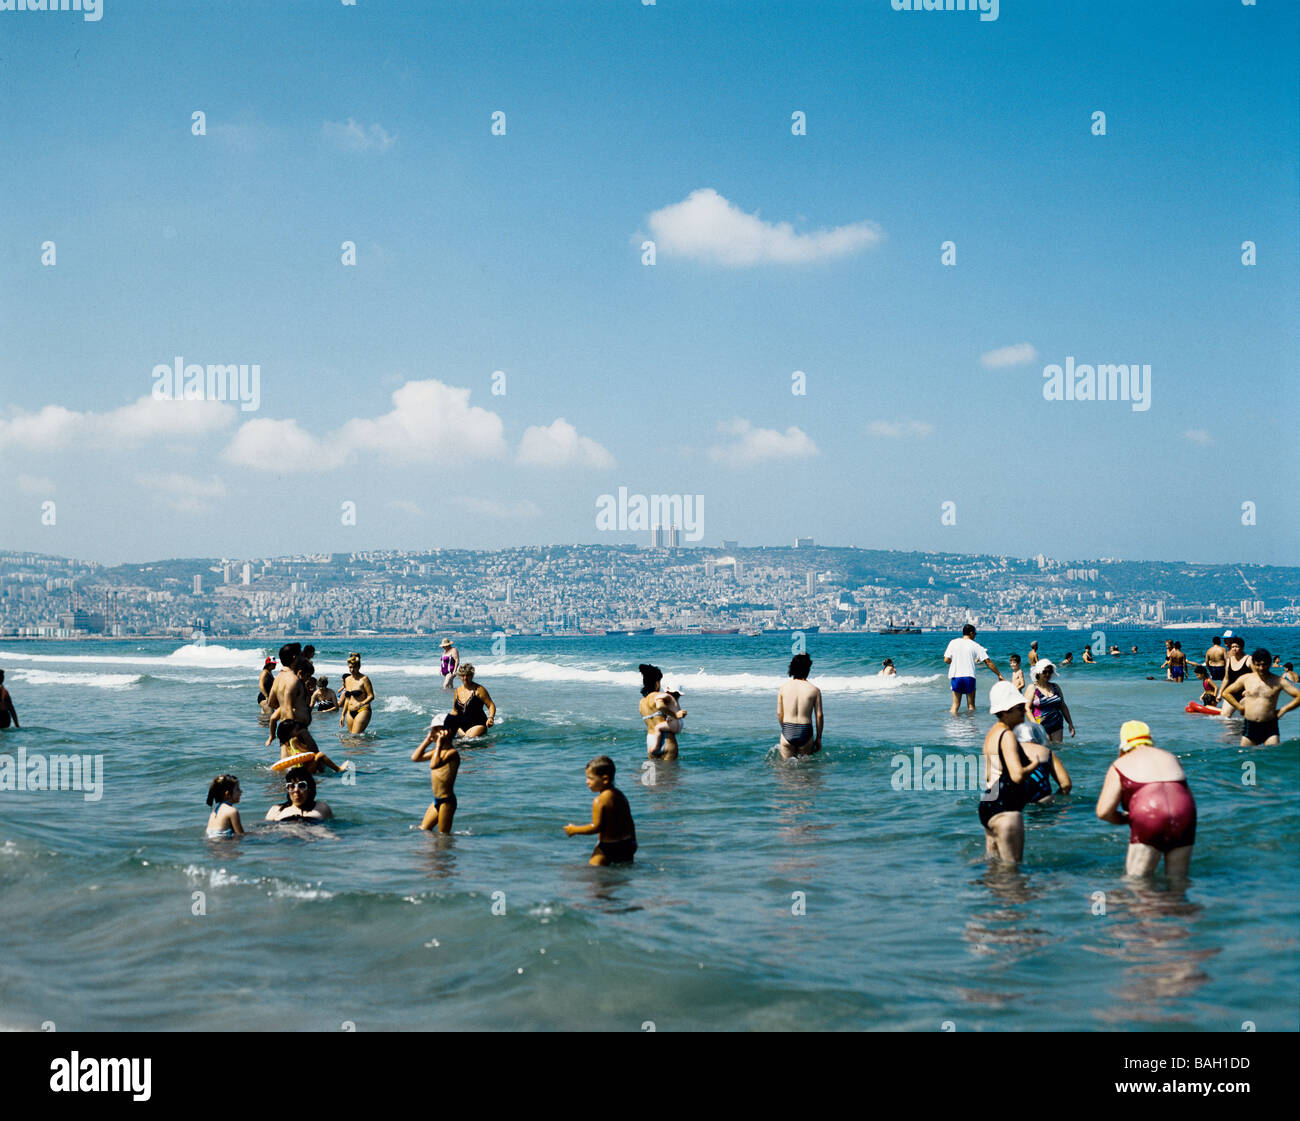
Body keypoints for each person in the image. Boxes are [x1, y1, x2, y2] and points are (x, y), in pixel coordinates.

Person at [1095, 721, 1196, 877]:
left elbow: (1103, 812)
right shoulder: (1170, 757)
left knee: (1137, 884)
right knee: (1179, 884)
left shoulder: (1120, 764)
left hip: (1149, 815)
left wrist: (1125, 819)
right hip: (1184, 813)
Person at [978, 681, 1037, 864]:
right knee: (1012, 874)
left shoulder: (991, 735)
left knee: (994, 868)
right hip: (1005, 807)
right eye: (1019, 707)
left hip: (988, 804)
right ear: (1004, 712)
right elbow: (1017, 775)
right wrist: (1034, 763)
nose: (1023, 710)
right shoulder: (1007, 735)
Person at [563, 755, 636, 865]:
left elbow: (597, 827)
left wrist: (574, 830)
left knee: (594, 876)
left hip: (608, 846)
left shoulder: (599, 800)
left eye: (590, 778)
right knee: (621, 879)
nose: (587, 782)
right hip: (627, 844)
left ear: (605, 779)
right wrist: (634, 841)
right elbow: (630, 820)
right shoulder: (620, 795)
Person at [1219, 648, 1300, 746]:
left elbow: (1298, 696)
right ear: (1253, 664)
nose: (1261, 668)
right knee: (1246, 758)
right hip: (1250, 726)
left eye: (1264, 665)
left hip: (1270, 727)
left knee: (1271, 757)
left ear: (1269, 664)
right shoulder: (1246, 679)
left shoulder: (1278, 681)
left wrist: (1283, 710)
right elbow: (1226, 693)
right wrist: (1239, 707)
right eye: (1258, 665)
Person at [412, 716, 460, 833]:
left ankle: (445, 851)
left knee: (443, 836)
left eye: (434, 730)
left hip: (447, 801)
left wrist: (438, 744)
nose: (431, 733)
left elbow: (433, 765)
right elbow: (415, 757)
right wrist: (427, 741)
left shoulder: (452, 753)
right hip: (436, 800)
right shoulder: (436, 752)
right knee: (424, 829)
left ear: (444, 732)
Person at [265, 643, 316, 750]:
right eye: (299, 654)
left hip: (285, 729)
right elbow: (288, 708)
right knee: (315, 759)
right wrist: (295, 733)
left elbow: (271, 703)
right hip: (296, 730)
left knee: (287, 765)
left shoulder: (278, 678)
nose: (302, 656)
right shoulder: (293, 679)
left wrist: (283, 706)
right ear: (294, 657)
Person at [943, 624, 1003, 715]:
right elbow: (988, 661)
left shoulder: (953, 642)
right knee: (971, 705)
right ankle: (971, 726)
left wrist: (956, 661)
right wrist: (999, 674)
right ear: (971, 633)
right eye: (975, 633)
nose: (975, 635)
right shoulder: (975, 645)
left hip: (955, 676)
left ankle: (953, 726)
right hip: (969, 676)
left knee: (955, 705)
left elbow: (946, 660)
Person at [1014, 719, 1072, 804]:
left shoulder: (1010, 751)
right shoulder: (1047, 752)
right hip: (1043, 800)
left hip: (1015, 802)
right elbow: (1066, 785)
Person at [777, 652, 823, 758]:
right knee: (806, 770)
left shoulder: (783, 688)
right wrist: (819, 738)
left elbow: (779, 713)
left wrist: (785, 729)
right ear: (808, 669)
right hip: (805, 731)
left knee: (785, 770)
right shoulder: (814, 690)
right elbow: (819, 716)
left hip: (787, 728)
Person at [1022, 661, 1076, 744]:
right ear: (1038, 672)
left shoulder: (1056, 687)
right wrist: (1036, 726)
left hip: (1057, 724)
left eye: (1050, 671)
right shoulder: (1033, 688)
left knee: (1057, 749)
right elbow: (1026, 708)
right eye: (1044, 672)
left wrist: (1070, 723)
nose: (1047, 674)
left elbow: (1063, 705)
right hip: (1040, 725)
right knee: (1044, 749)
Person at [638, 664, 681, 759]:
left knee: (653, 772)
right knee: (671, 772)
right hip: (666, 739)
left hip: (651, 740)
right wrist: (675, 715)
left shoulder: (641, 702)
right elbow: (660, 706)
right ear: (657, 683)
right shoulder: (660, 696)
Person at [444, 664, 495, 739]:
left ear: (472, 675)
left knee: (467, 741)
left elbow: (491, 705)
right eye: (463, 675)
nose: (465, 678)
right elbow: (455, 711)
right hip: (461, 727)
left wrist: (491, 718)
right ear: (459, 676)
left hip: (477, 725)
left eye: (468, 675)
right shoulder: (458, 691)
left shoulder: (479, 689)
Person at [265, 766, 332, 823]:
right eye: (292, 786)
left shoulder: (322, 808)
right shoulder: (276, 810)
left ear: (309, 788)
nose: (296, 790)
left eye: (301, 786)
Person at [277, 721, 347, 775]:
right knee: (320, 755)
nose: (297, 729)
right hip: (306, 770)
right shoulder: (294, 741)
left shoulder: (287, 744)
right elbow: (310, 753)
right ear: (290, 732)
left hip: (301, 769)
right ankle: (339, 769)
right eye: (295, 729)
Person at [338, 653, 375, 734]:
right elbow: (348, 699)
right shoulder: (347, 679)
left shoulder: (364, 679)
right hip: (349, 712)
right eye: (350, 667)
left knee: (355, 737)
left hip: (363, 710)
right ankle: (367, 745)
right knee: (351, 739)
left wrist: (361, 703)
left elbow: (371, 696)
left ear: (359, 667)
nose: (352, 670)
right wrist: (343, 715)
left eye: (354, 667)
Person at [647, 683, 687, 755]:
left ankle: (656, 746)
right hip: (680, 723)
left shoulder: (667, 696)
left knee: (657, 728)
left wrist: (656, 698)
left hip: (675, 725)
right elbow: (676, 712)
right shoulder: (676, 701)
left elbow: (661, 700)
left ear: (668, 691)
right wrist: (671, 717)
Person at [1218, 637, 1251, 705]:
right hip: (1231, 694)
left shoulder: (1249, 659)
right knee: (1225, 715)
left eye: (1236, 647)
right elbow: (1226, 679)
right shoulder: (1229, 661)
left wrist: (1248, 689)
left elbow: (1257, 676)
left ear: (1242, 648)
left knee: (1243, 714)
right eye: (1232, 647)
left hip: (1244, 694)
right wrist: (1220, 693)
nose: (1234, 649)